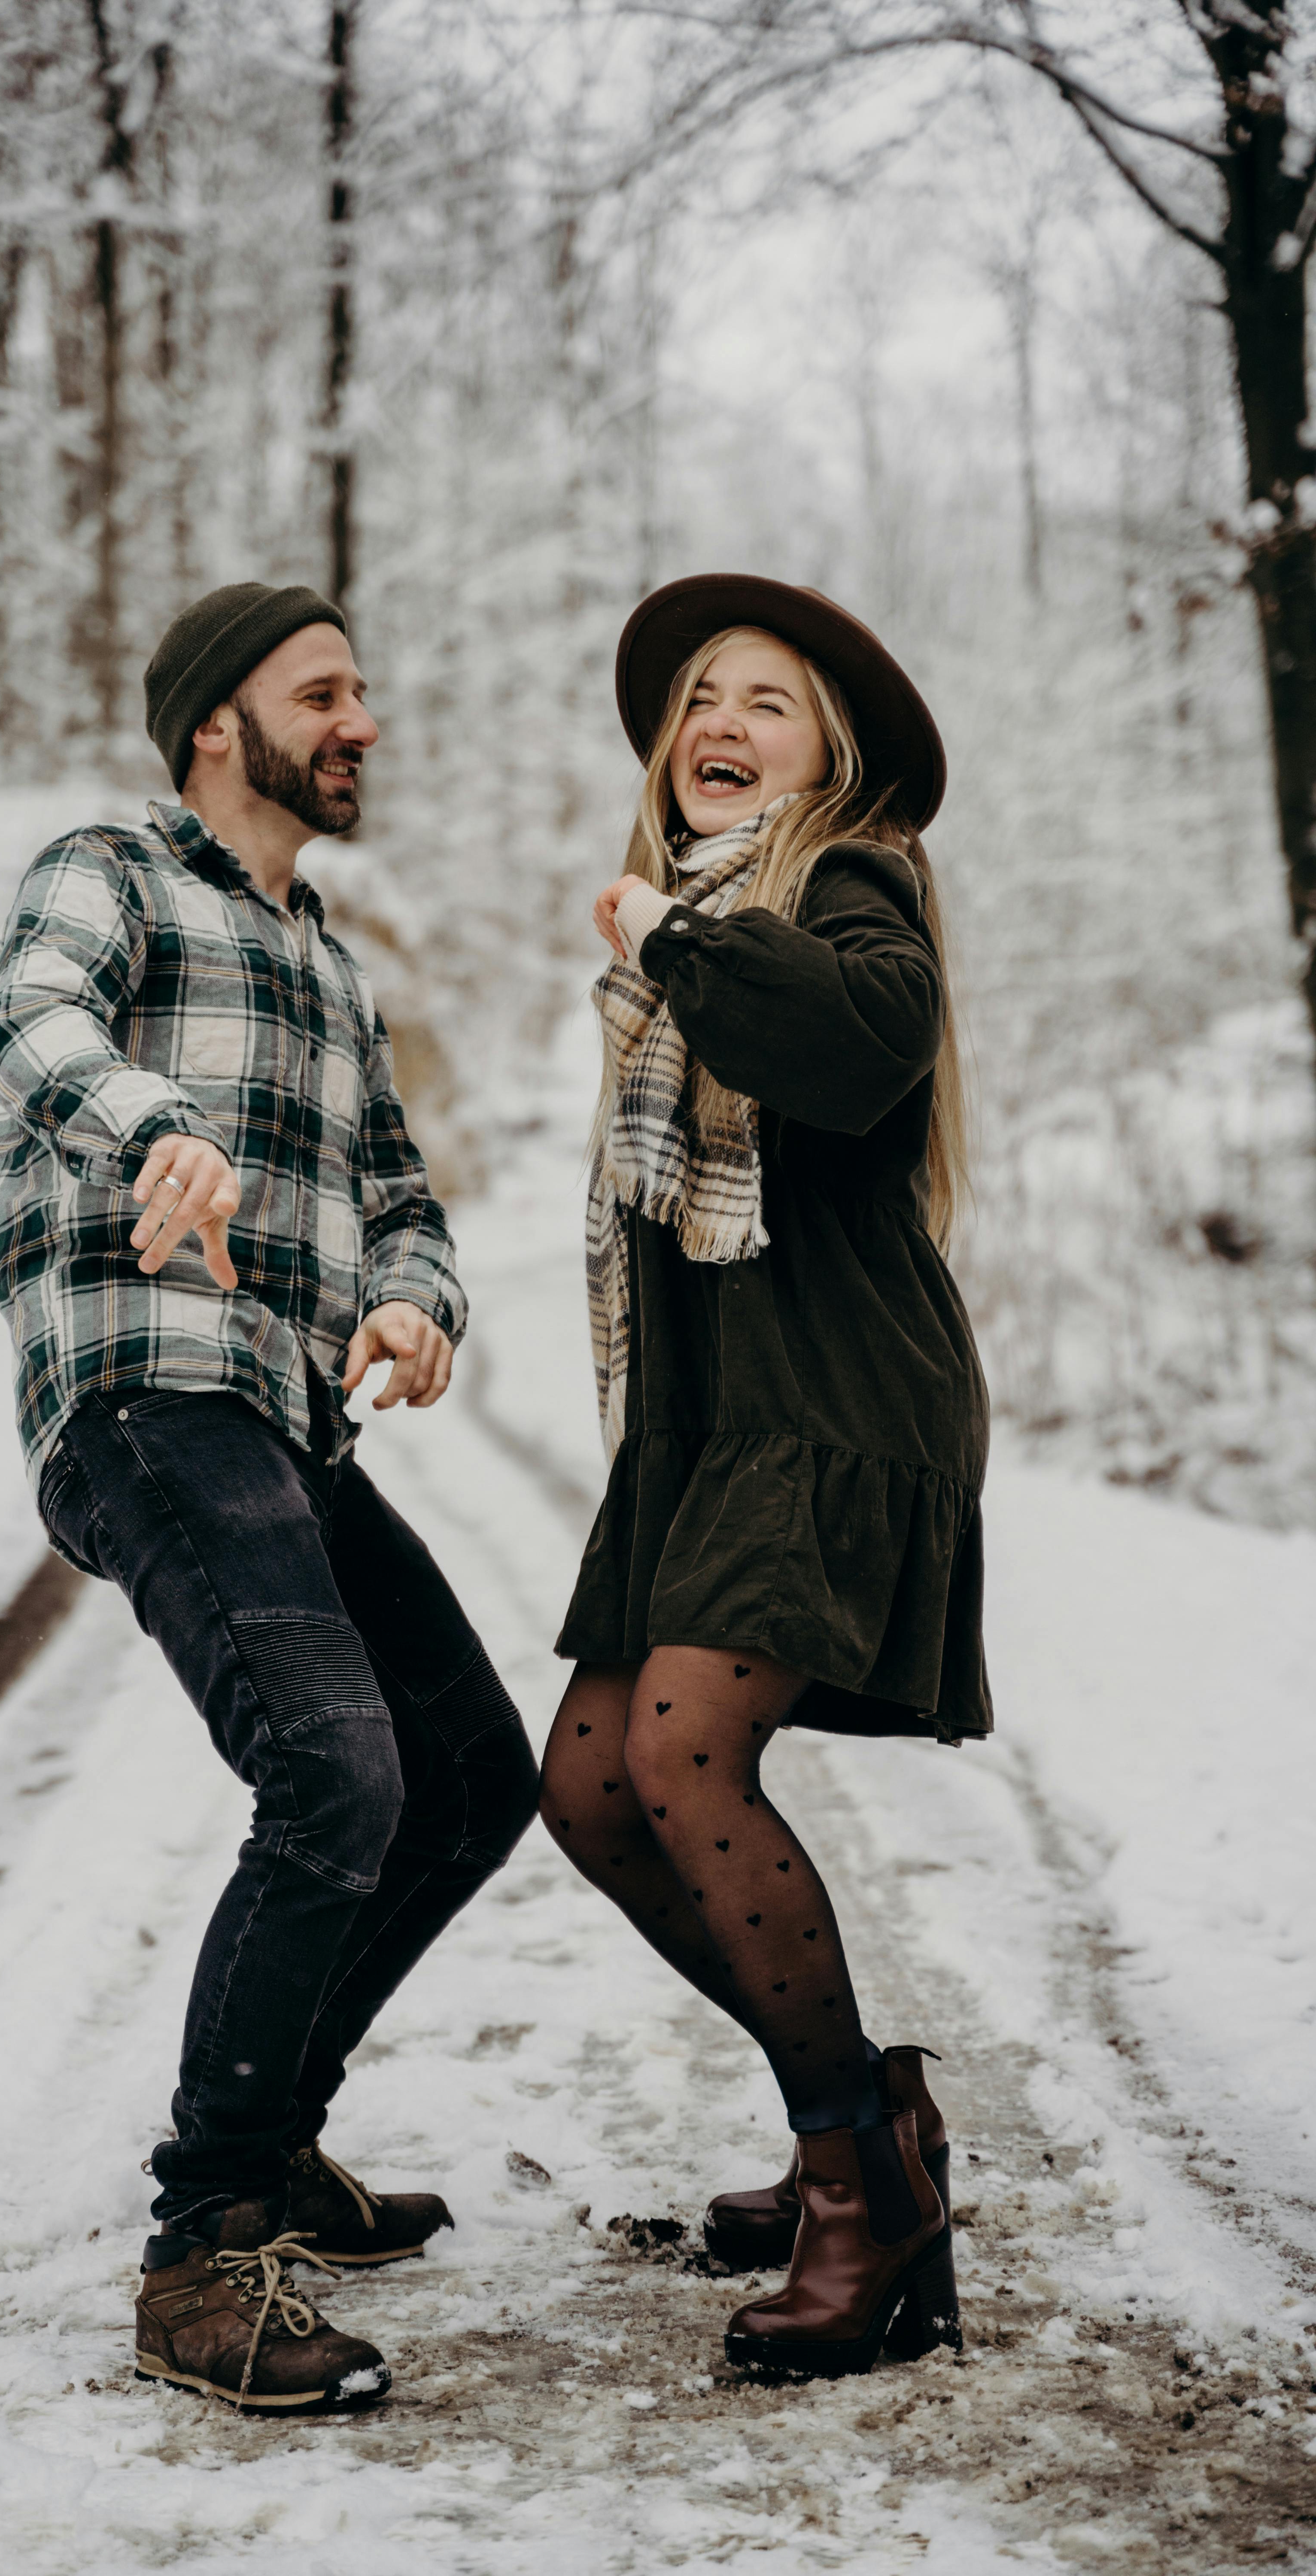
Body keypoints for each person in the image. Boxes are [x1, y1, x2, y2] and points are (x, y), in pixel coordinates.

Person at [0, 580, 539, 2415]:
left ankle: (275, 2138)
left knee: (468, 1775)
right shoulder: (112, 870)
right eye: (327, 691)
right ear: (221, 719)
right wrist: (157, 1127)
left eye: (367, 688)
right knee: (334, 1766)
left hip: (286, 1421)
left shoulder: (329, 959)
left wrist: (409, 1295)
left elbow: (405, 1191)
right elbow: (28, 1015)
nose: (363, 718)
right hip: (146, 1388)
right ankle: (205, 2247)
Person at [541, 574, 990, 2384]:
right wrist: (668, 943)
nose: (721, 722)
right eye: (701, 699)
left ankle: (856, 2196)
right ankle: (869, 2118)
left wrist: (673, 938)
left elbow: (851, 1047)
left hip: (835, 1396)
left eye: (771, 703)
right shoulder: (692, 937)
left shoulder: (846, 884)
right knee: (589, 1789)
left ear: (832, 758)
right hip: (714, 1425)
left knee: (680, 1754)